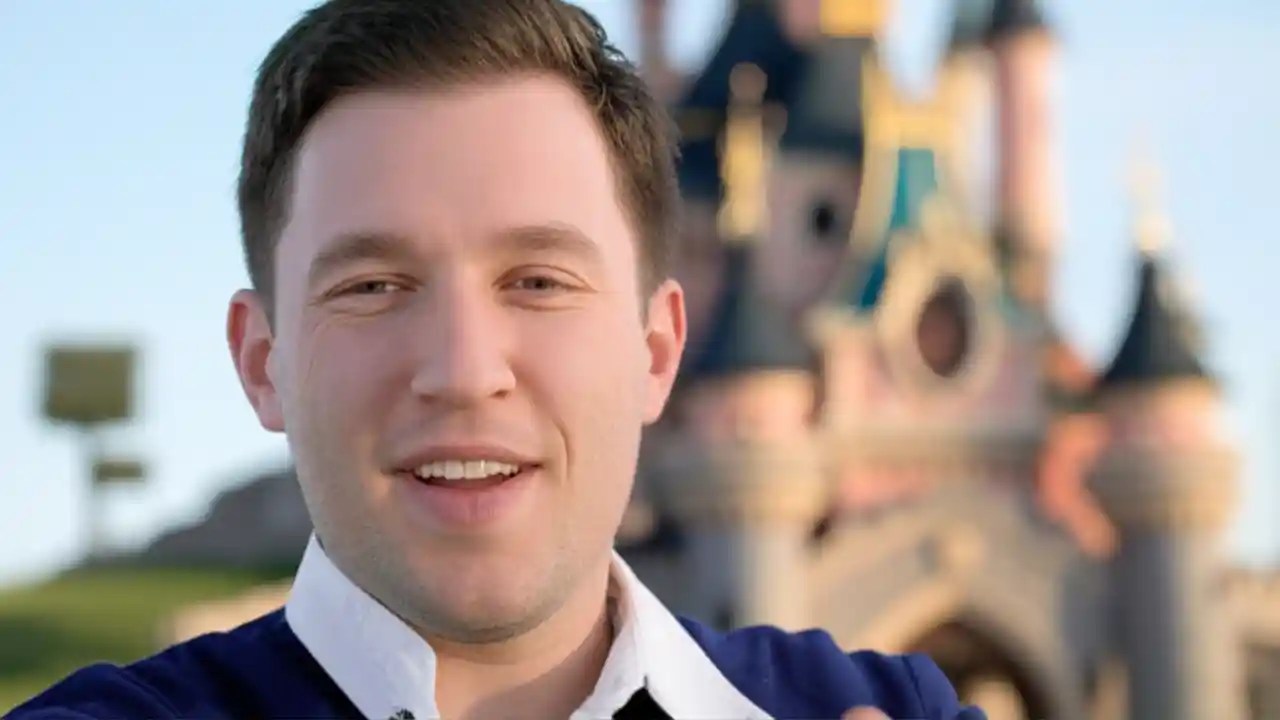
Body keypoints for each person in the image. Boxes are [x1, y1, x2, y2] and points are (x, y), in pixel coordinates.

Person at [11, 1, 985, 718]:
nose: (464, 368)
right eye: (372, 286)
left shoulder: (874, 707)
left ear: (656, 351)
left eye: (538, 281)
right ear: (261, 361)